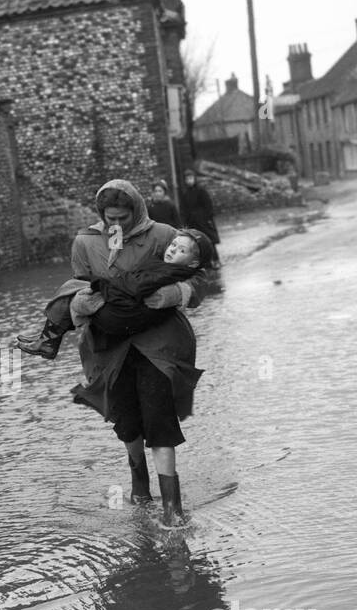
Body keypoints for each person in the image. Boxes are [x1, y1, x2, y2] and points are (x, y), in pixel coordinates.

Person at [27, 179, 206, 525]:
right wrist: (80, 302)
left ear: (137, 210)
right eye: (111, 218)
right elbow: (78, 284)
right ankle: (140, 486)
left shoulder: (164, 235)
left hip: (159, 344)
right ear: (100, 214)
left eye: (124, 218)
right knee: (127, 420)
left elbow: (201, 280)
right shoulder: (85, 242)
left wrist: (174, 295)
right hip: (109, 347)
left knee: (159, 418)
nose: (117, 225)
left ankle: (173, 508)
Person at [14, 228, 215, 359]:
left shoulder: (160, 236)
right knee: (74, 285)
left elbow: (198, 277)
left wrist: (178, 293)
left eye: (179, 249)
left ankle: (49, 339)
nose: (172, 250)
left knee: (77, 290)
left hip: (129, 315)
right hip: (119, 305)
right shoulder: (98, 233)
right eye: (173, 246)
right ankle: (48, 338)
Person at [179, 169, 220, 252]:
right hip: (193, 222)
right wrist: (186, 221)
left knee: (209, 240)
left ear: (194, 178)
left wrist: (208, 217)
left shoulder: (201, 191)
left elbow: (208, 205)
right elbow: (183, 209)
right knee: (198, 242)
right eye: (187, 179)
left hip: (203, 220)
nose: (189, 181)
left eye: (191, 178)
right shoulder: (185, 194)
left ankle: (215, 259)